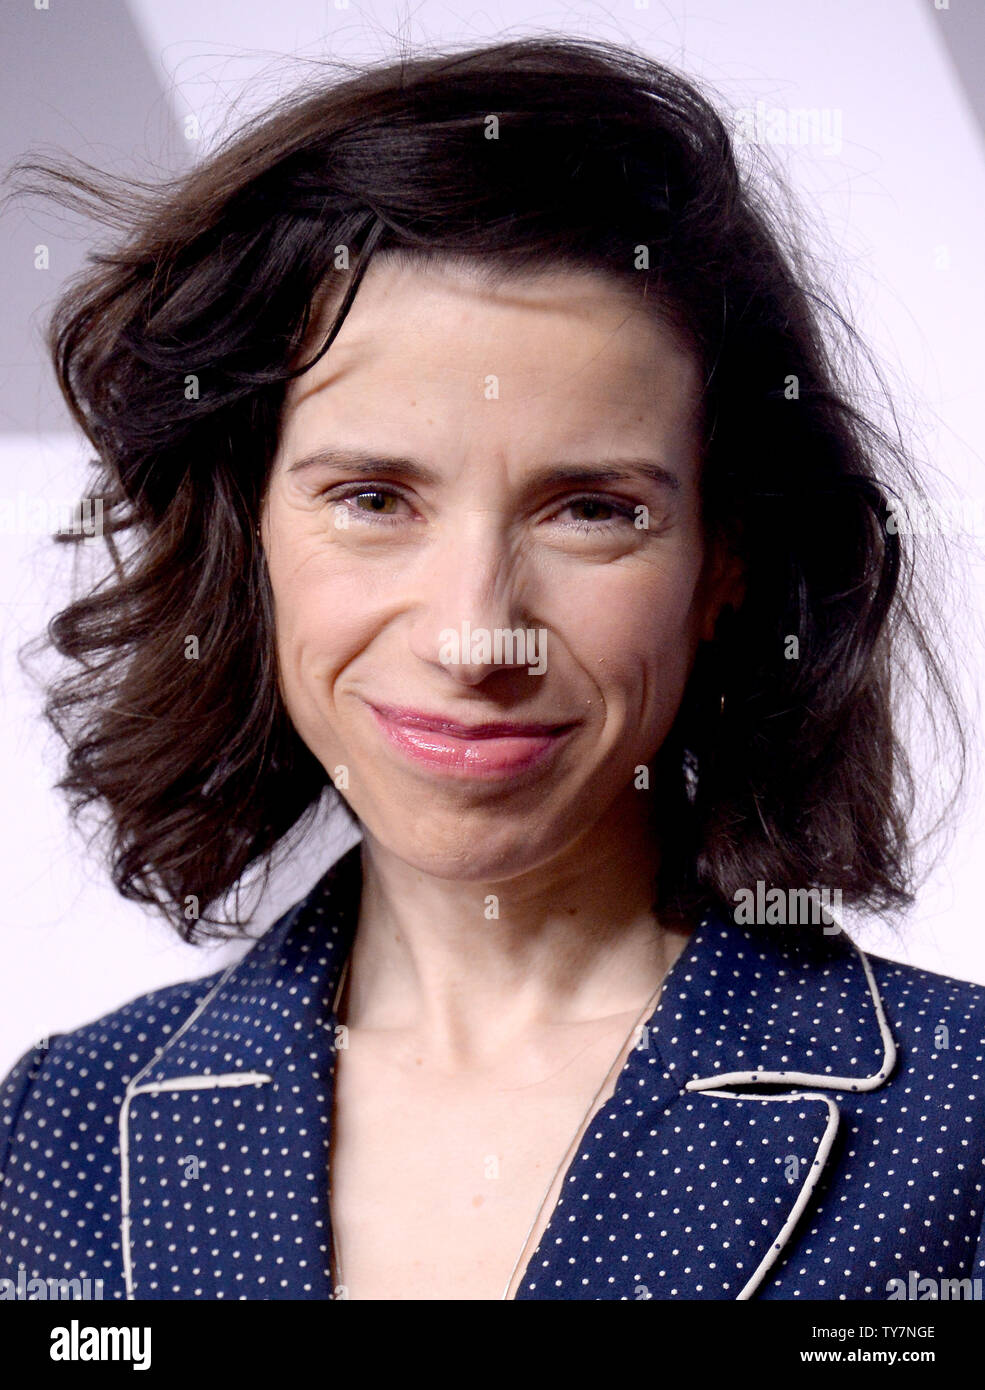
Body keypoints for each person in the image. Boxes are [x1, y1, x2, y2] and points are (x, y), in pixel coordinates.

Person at [1, 36, 982, 1302]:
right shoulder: (59, 1138)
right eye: (370, 496)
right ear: (251, 532)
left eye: (590, 509)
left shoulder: (955, 1132)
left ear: (723, 561)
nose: (475, 636)